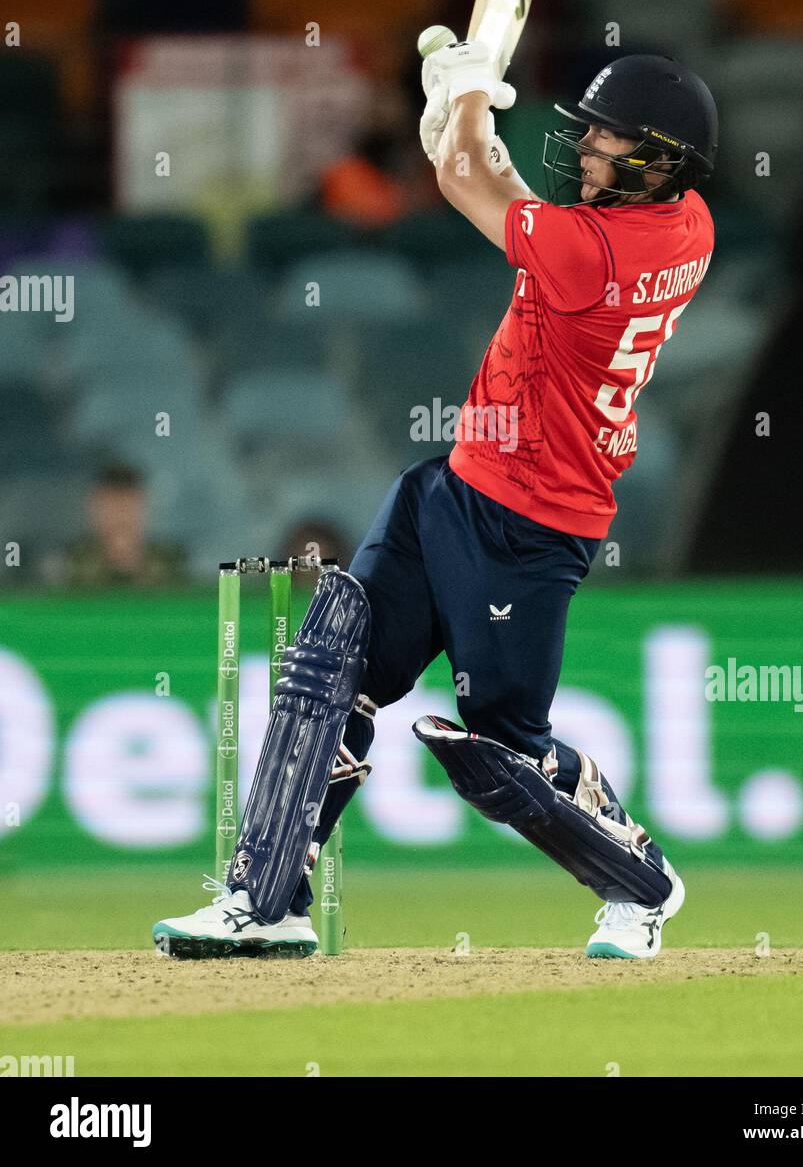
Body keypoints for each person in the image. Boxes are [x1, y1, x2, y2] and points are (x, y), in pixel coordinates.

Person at [154, 50, 717, 961]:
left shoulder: (596, 252)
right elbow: (485, 184)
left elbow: (464, 182)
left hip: (532, 521)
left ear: (659, 158)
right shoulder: (682, 225)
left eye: (609, 139)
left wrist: (464, 99)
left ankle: (640, 882)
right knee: (331, 666)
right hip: (452, 487)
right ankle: (265, 902)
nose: (586, 150)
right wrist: (469, 119)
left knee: (504, 755)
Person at [61, 464, 187, 587]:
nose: (121, 513)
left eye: (129, 503)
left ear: (145, 508)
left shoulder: (173, 565)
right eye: (111, 503)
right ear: (94, 509)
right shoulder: (69, 567)